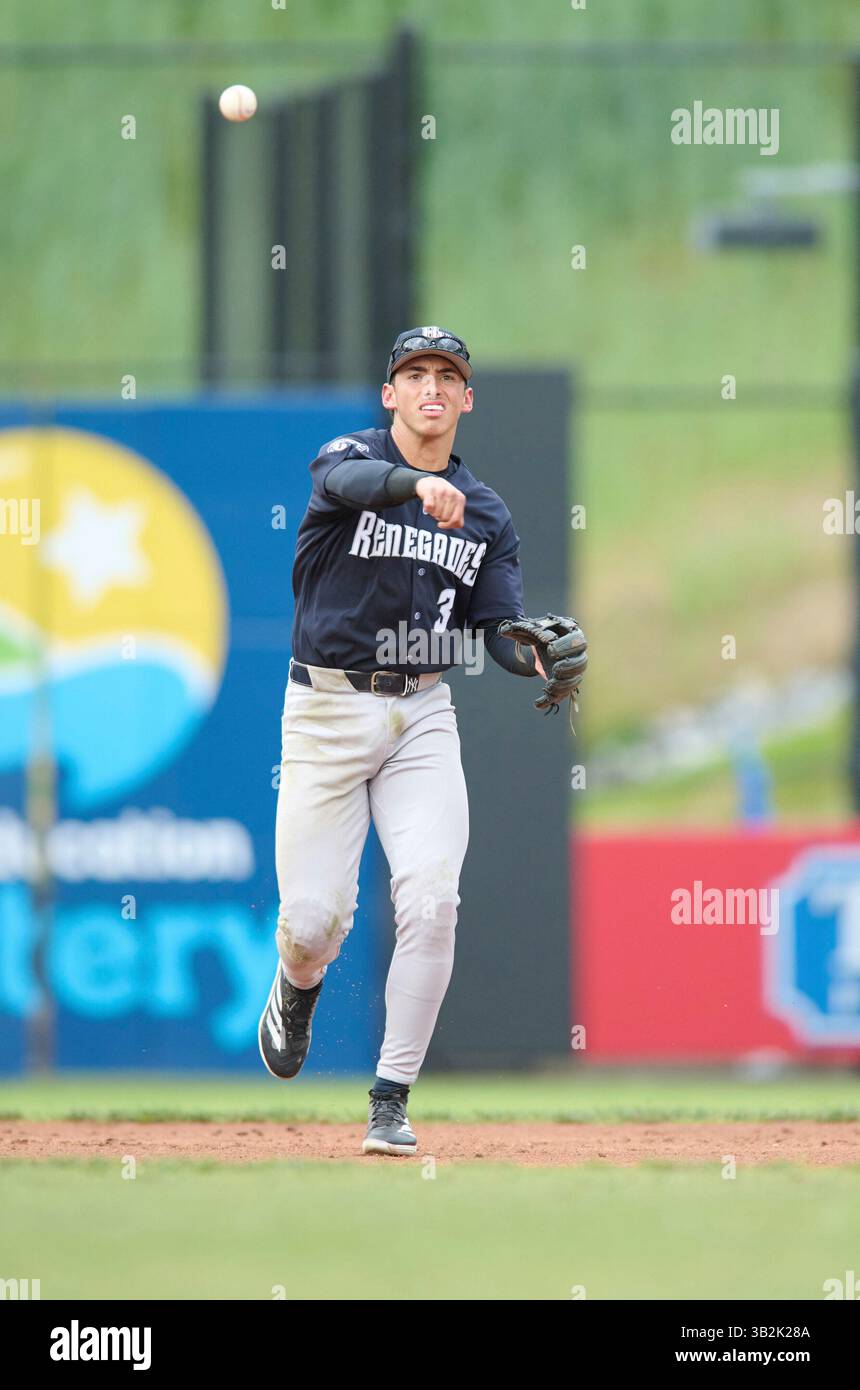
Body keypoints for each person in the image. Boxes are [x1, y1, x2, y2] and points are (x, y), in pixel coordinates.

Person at [258, 327, 561, 1156]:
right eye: (415, 375)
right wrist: (413, 487)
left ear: (466, 400)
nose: (431, 387)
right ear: (389, 394)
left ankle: (389, 1099)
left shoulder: (487, 513)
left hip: (422, 713)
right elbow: (352, 483)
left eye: (447, 377)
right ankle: (297, 983)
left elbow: (495, 630)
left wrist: (528, 649)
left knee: (431, 901)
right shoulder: (347, 459)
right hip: (322, 712)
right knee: (315, 921)